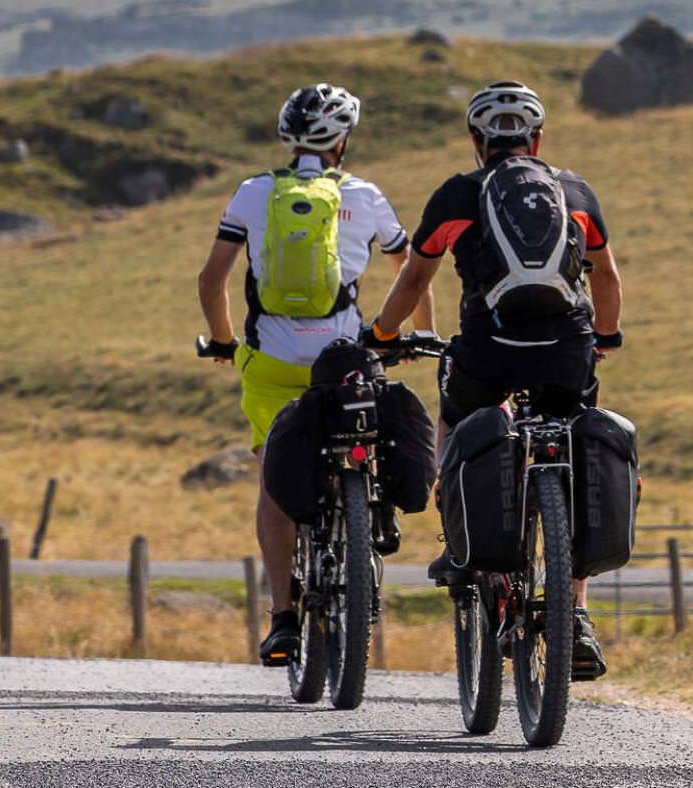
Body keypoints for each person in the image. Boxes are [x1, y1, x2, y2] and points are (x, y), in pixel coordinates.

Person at [362, 80, 625, 678]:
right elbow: (606, 277)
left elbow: (414, 280)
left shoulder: (457, 194)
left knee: (457, 419)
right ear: (538, 139)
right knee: (572, 445)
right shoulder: (575, 191)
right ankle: (575, 614)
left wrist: (382, 333)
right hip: (566, 350)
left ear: (476, 141)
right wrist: (605, 337)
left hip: (489, 350)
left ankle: (459, 542)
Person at [195, 83, 431, 667]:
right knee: (366, 437)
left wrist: (224, 343)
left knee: (273, 481)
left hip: (272, 365)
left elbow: (211, 280)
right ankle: (371, 515)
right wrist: (417, 335)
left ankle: (282, 617)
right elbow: (410, 275)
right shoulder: (365, 196)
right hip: (342, 361)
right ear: (342, 141)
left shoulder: (253, 194)